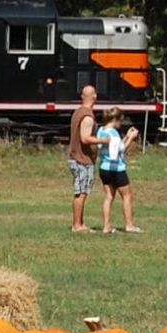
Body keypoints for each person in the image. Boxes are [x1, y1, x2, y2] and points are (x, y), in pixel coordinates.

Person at [66, 85, 110, 233]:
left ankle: (80, 223)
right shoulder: (87, 116)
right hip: (81, 159)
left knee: (82, 191)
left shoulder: (77, 112)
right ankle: (77, 225)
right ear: (95, 97)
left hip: (78, 158)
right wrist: (104, 141)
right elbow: (85, 138)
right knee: (81, 192)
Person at [98, 108, 141, 234]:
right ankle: (129, 224)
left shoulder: (101, 130)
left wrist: (127, 136)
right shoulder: (114, 133)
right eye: (120, 121)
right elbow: (121, 150)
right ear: (115, 119)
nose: (121, 123)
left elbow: (116, 146)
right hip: (116, 169)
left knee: (109, 196)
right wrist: (131, 138)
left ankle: (106, 226)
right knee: (127, 195)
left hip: (104, 167)